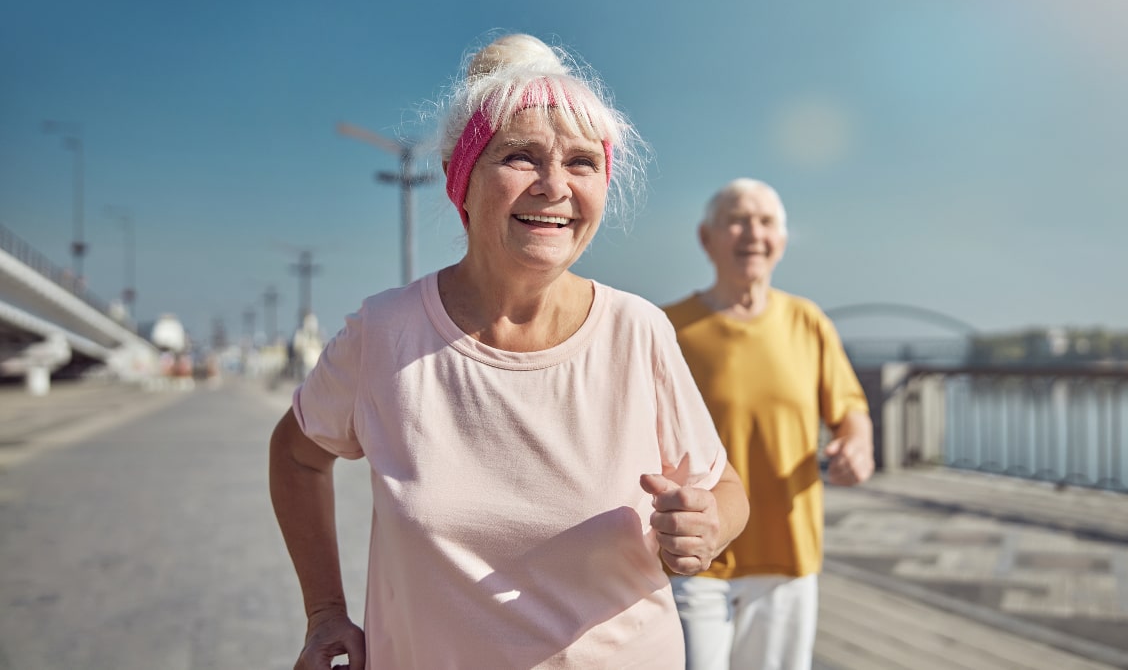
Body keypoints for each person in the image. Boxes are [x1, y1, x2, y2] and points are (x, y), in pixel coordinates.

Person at [269, 33, 749, 669]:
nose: (554, 186)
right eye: (521, 156)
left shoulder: (639, 331)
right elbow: (296, 455)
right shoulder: (386, 333)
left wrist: (707, 526)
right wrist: (325, 611)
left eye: (582, 163)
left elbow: (723, 486)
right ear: (460, 178)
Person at [662, 178, 875, 670]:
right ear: (707, 238)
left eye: (765, 222)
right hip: (693, 554)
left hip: (786, 553)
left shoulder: (808, 322)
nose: (753, 233)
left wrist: (856, 446)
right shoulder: (667, 327)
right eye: (737, 221)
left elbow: (849, 410)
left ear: (780, 239)